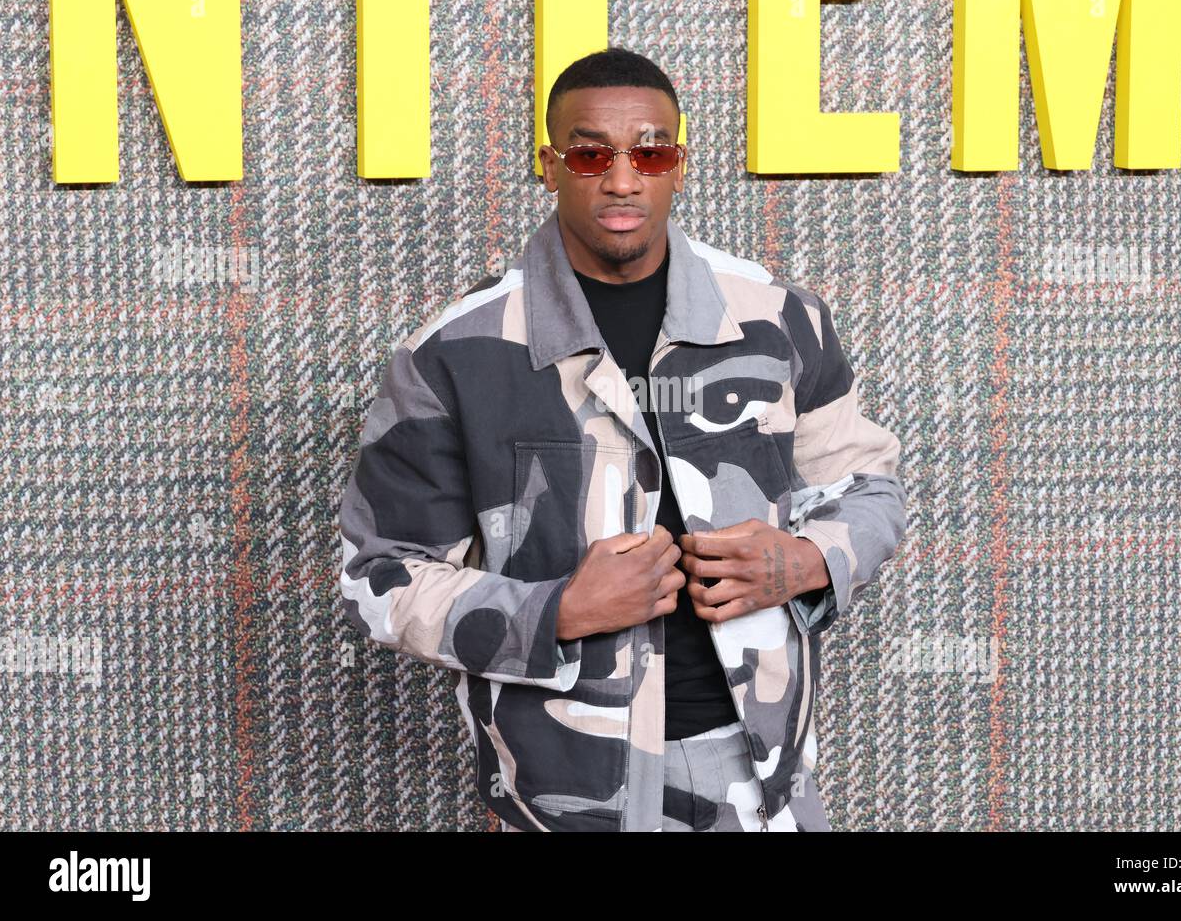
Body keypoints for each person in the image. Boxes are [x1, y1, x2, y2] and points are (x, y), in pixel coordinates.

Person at [337, 46, 907, 832]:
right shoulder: (452, 353)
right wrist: (558, 610)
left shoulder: (777, 319)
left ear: (679, 163)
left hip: (761, 775)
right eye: (589, 152)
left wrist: (806, 560)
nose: (622, 177)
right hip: (564, 789)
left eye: (650, 150)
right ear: (550, 165)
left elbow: (868, 488)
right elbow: (380, 577)